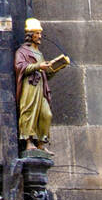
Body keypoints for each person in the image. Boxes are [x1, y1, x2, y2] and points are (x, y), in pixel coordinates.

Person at [15, 18, 67, 155]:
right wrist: (39, 66)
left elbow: (45, 74)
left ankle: (40, 142)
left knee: (46, 114)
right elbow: (20, 67)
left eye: (40, 33)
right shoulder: (22, 51)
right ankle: (28, 142)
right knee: (29, 112)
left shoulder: (39, 53)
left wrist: (56, 67)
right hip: (30, 87)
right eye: (37, 33)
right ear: (30, 35)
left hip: (40, 87)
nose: (39, 36)